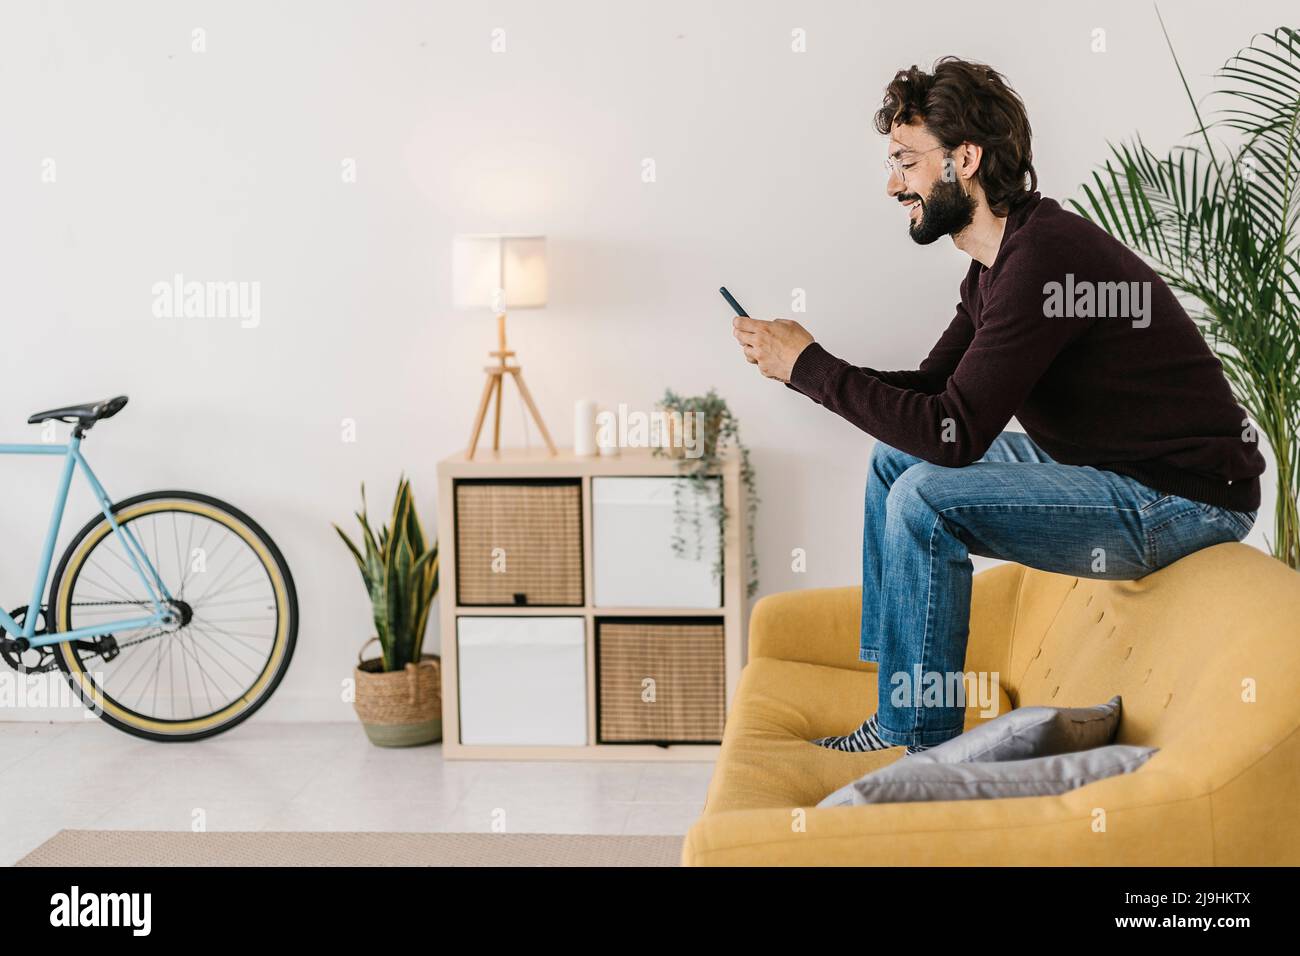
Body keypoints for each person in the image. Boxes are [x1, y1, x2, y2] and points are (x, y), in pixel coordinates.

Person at [731, 57, 1264, 755]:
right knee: (897, 460)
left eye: (906, 161)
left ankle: (912, 737)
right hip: (1115, 464)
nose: (894, 184)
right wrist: (804, 365)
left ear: (966, 159)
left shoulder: (1045, 260)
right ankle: (896, 686)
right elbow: (932, 395)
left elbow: (954, 437)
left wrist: (811, 369)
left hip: (1186, 496)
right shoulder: (996, 266)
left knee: (926, 496)